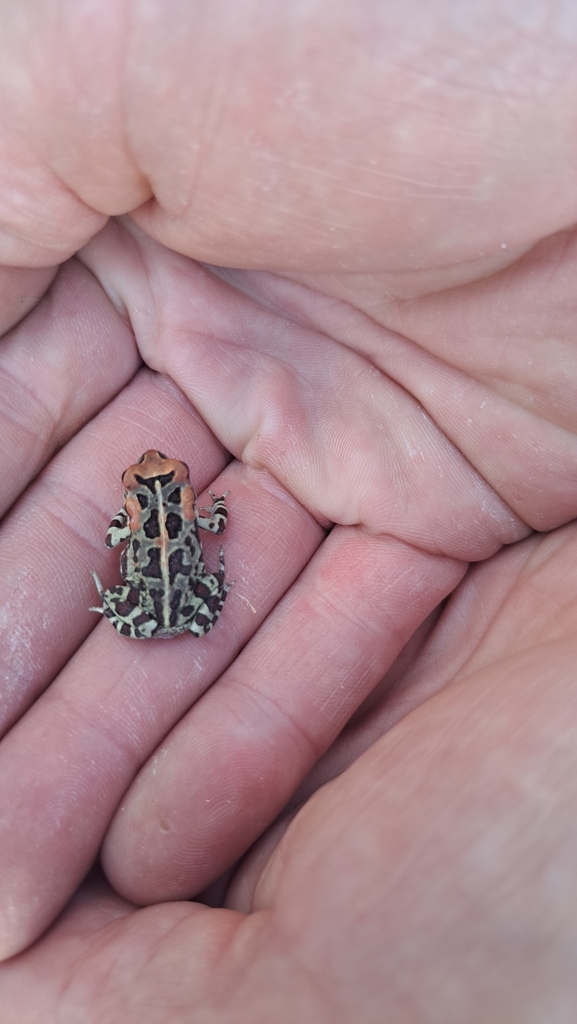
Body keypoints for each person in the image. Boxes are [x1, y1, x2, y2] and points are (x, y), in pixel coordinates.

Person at [1, 1, 577, 1019]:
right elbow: (192, 534)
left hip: (167, 597)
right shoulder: (167, 522)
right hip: (183, 595)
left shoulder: (146, 527)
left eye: (155, 493)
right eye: (153, 495)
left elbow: (163, 542)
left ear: (153, 502)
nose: (156, 496)